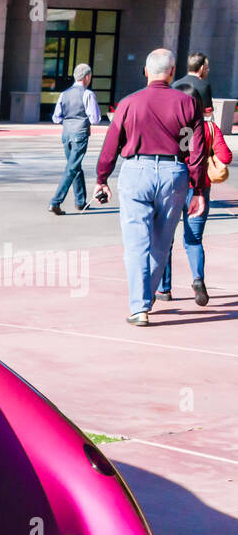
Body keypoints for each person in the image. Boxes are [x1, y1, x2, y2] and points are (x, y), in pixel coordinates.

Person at [95, 48, 206, 327]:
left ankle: (139, 307)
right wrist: (199, 189)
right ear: (171, 72)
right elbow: (195, 148)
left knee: (136, 245)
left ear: (146, 71)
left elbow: (112, 144)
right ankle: (146, 297)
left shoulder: (130, 103)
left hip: (137, 171)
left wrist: (102, 178)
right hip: (173, 173)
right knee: (161, 244)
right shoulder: (187, 103)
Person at [160, 91, 231, 305]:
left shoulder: (171, 125)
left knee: (166, 239)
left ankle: (164, 289)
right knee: (194, 239)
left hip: (173, 185)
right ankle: (198, 280)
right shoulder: (209, 128)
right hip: (199, 188)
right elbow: (226, 156)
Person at [48, 63, 102, 215]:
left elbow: (56, 118)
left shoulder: (63, 94)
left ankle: (80, 202)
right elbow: (95, 118)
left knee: (74, 166)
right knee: (72, 168)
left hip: (66, 134)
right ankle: (55, 202)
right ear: (87, 77)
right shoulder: (88, 94)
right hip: (80, 133)